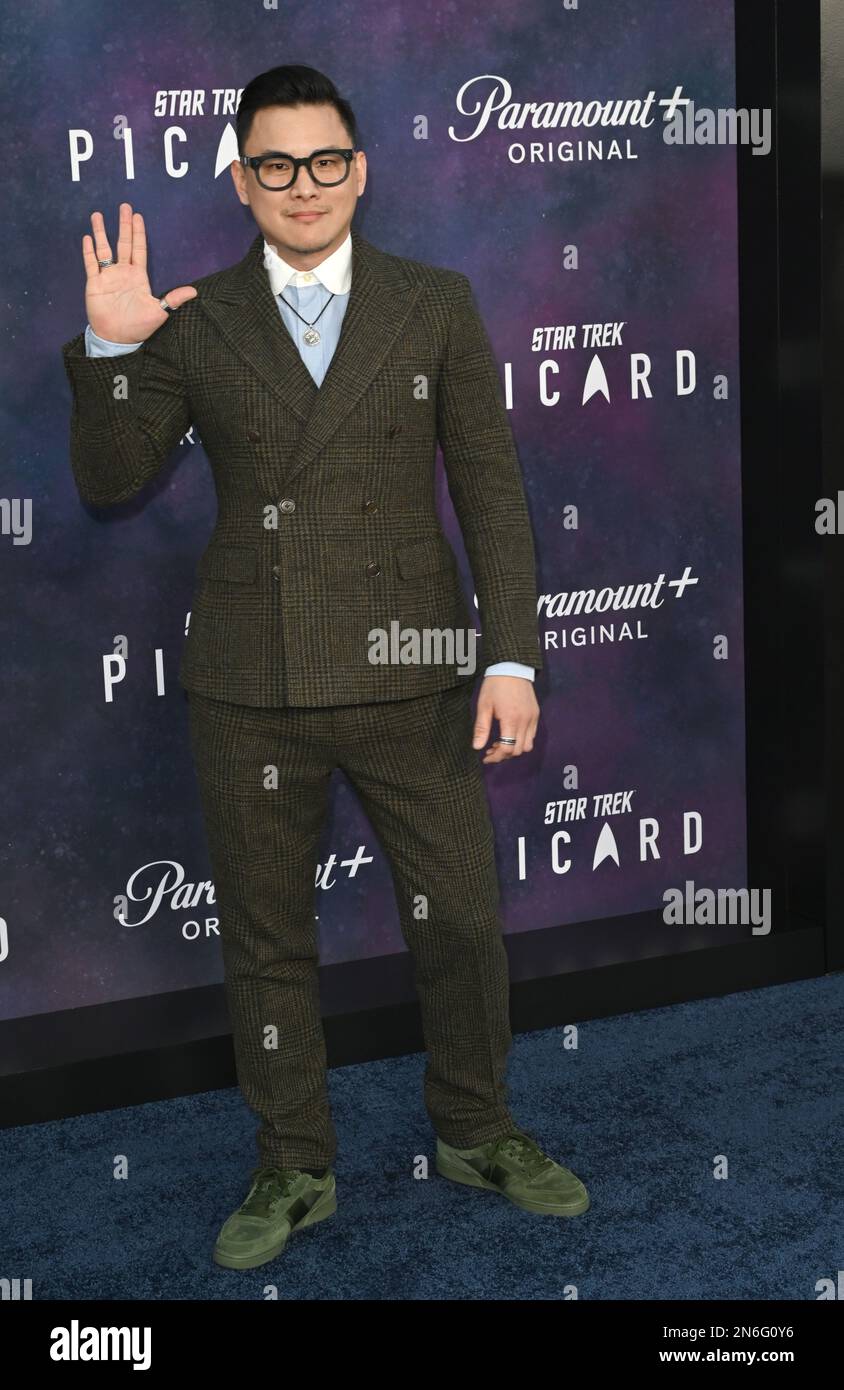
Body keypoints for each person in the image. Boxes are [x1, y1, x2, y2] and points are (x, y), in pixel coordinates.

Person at [62, 63, 589, 1272]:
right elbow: (108, 479)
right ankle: (293, 1158)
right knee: (266, 939)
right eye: (277, 165)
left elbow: (493, 492)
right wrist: (108, 343)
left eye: (328, 160)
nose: (306, 185)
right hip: (253, 682)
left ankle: (474, 1128)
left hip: (415, 673)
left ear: (362, 168)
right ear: (244, 183)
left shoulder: (435, 302)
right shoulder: (190, 319)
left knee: (458, 918)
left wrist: (511, 654)